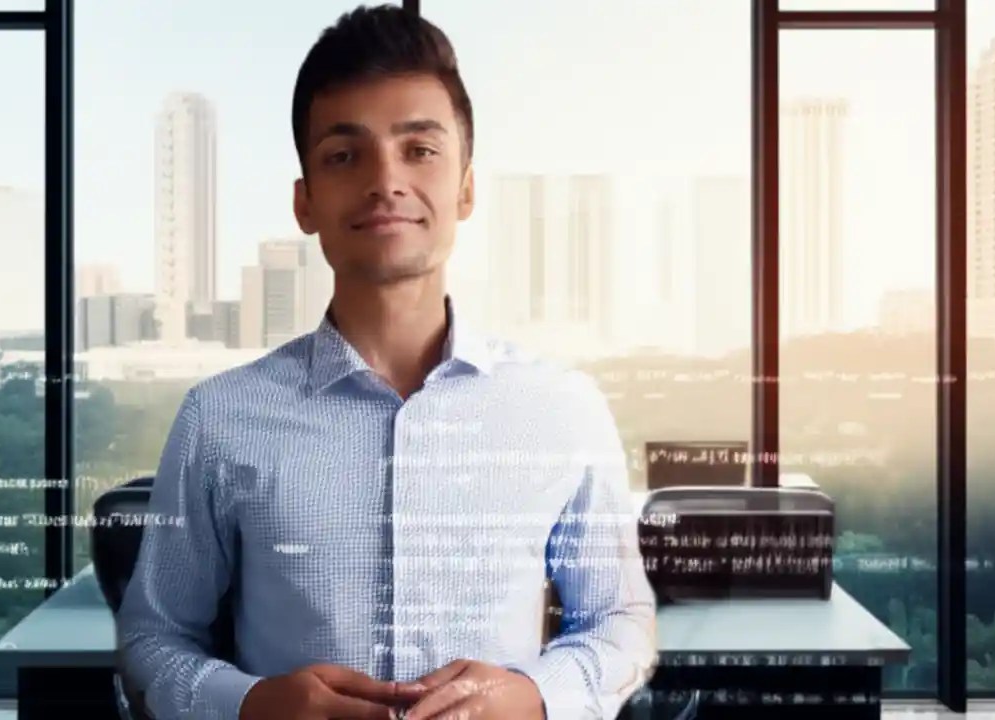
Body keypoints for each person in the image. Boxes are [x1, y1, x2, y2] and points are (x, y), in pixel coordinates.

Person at [115, 4, 658, 719]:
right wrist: (250, 705)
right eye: (345, 155)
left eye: (419, 150)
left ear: (466, 188)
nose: (385, 181)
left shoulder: (563, 408)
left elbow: (621, 621)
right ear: (305, 202)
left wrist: (534, 697)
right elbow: (152, 639)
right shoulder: (218, 418)